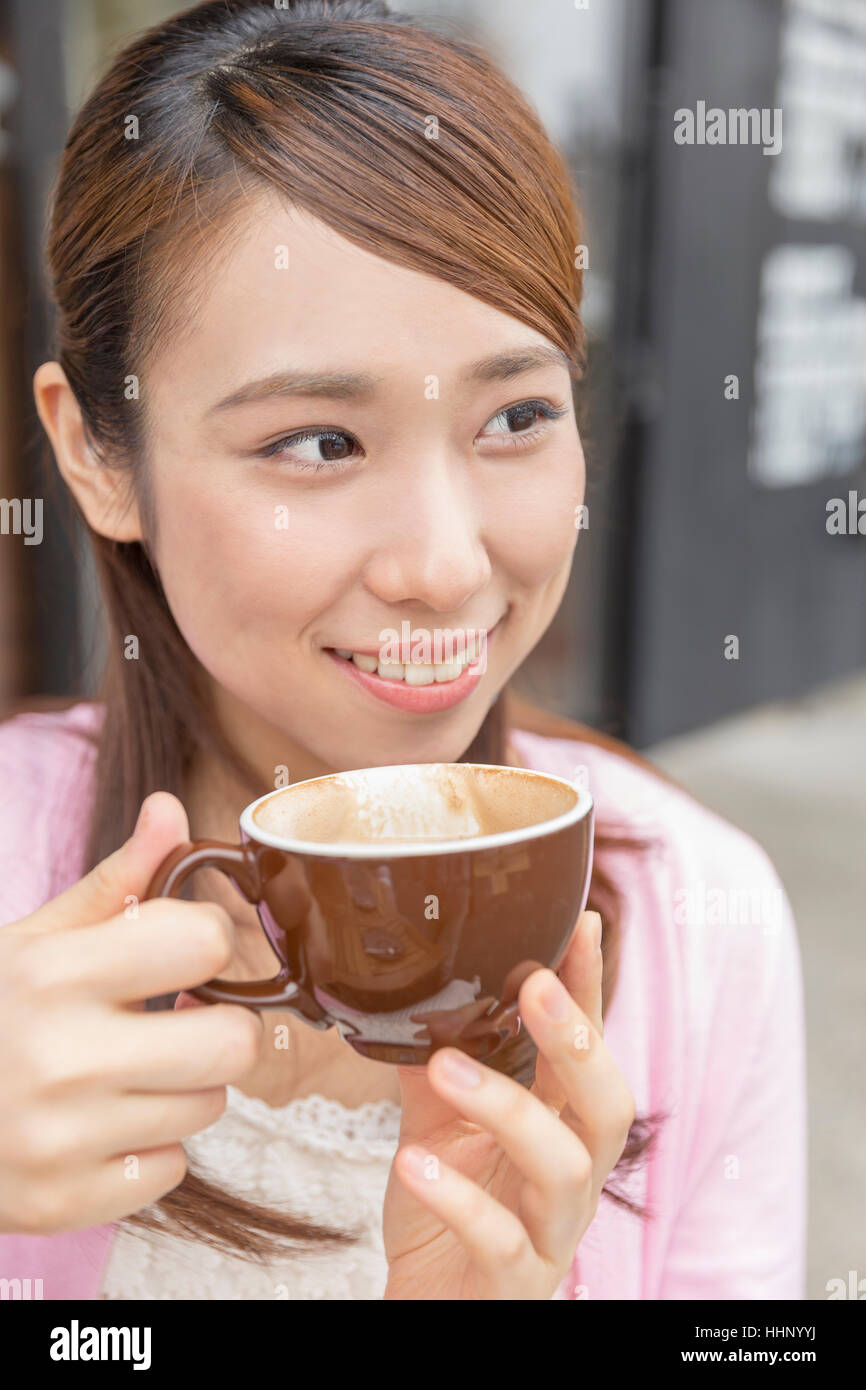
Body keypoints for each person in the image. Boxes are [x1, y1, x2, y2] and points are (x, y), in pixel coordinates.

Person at [0, 0, 805, 1300]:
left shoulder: (702, 925)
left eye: (517, 415)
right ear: (98, 454)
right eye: (318, 441)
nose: (441, 560)